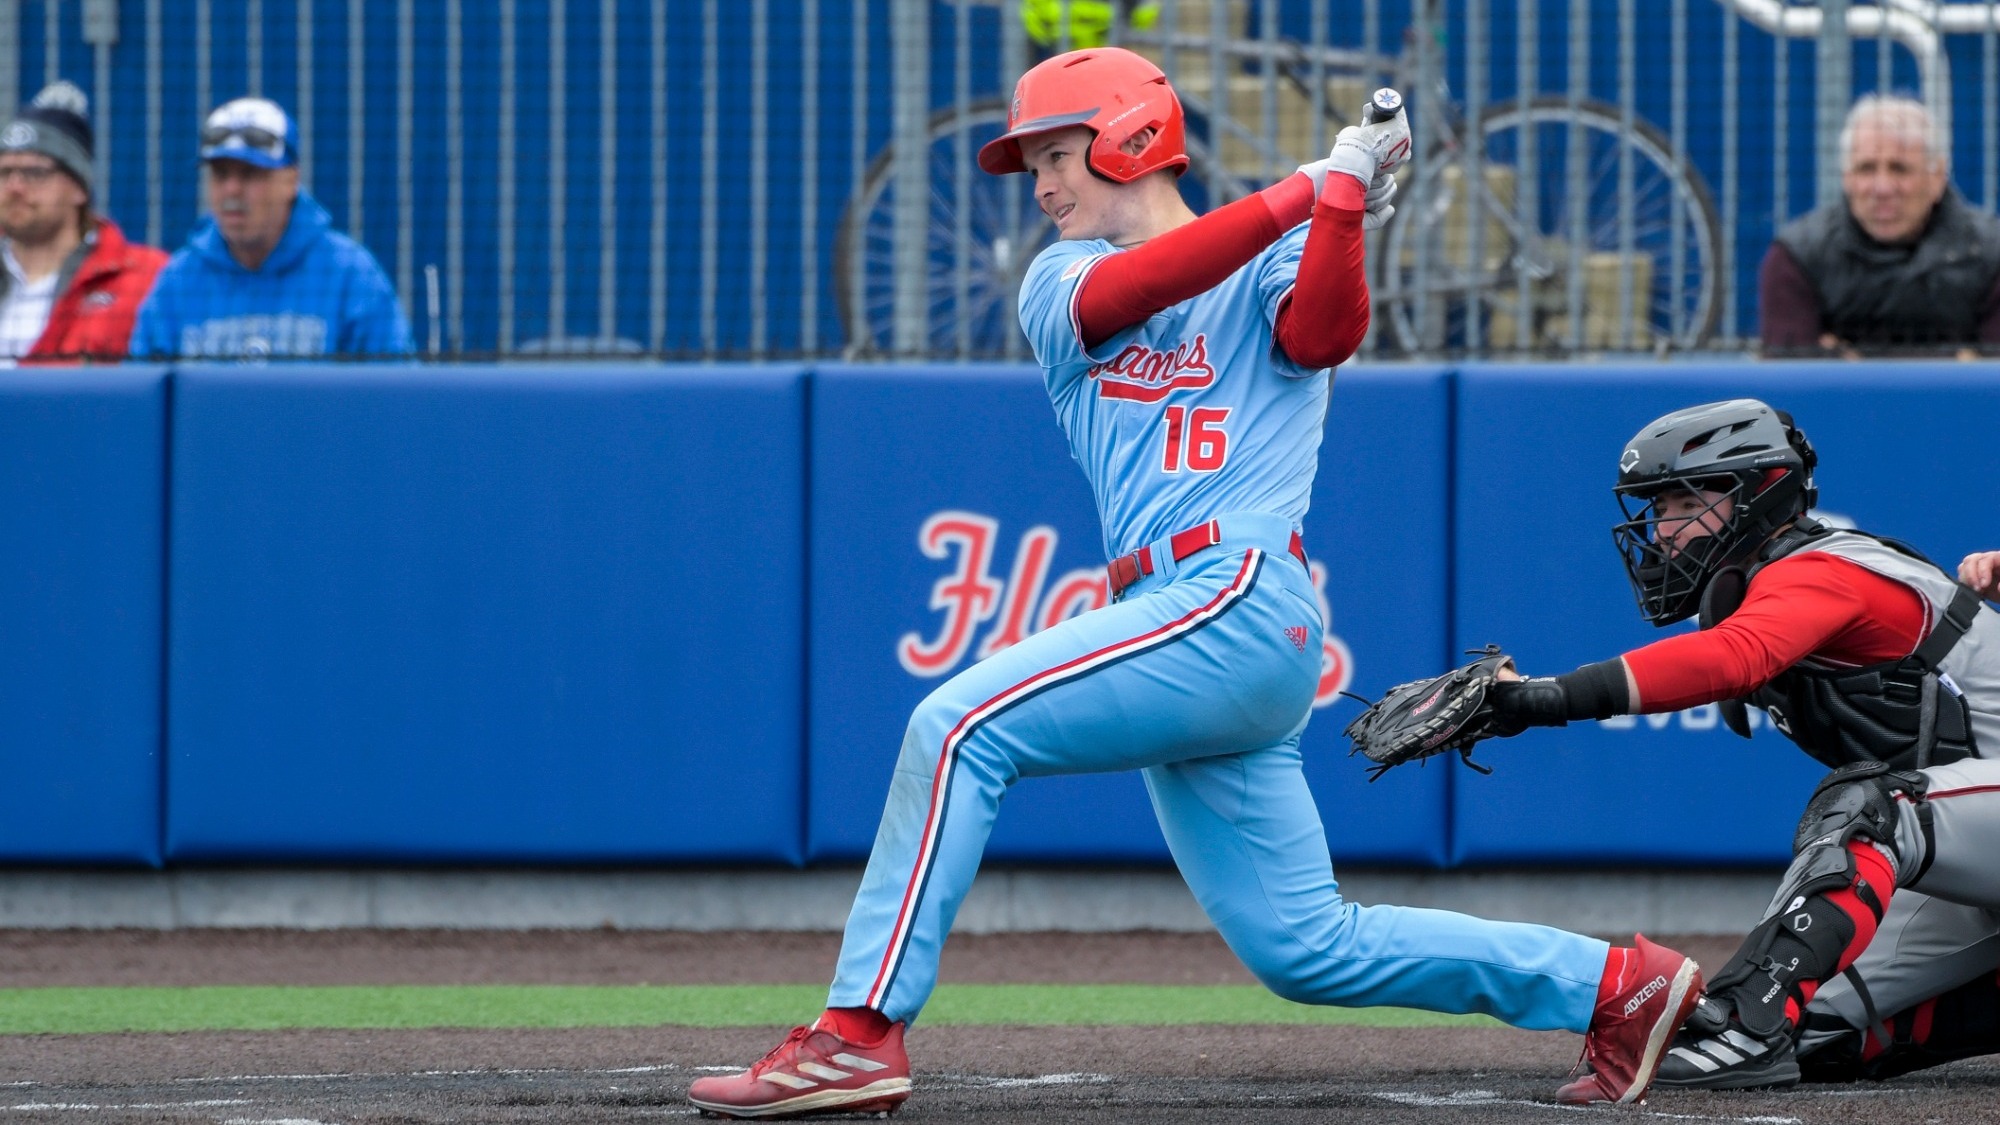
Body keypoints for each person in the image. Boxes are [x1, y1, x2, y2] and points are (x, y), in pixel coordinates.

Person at [686, 47, 1702, 1119]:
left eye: (1055, 153)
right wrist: (1308, 187)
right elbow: (1146, 281)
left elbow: (1326, 331)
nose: (1039, 184)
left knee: (956, 728)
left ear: (1128, 134)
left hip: (1231, 591)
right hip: (1178, 618)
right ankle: (1609, 985)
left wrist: (1342, 202)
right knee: (1303, 946)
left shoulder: (1271, 261)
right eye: (1031, 163)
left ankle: (856, 1033)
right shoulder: (1059, 278)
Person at [1453, 397, 2000, 1089]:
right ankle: (1753, 1027)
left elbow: (1732, 657)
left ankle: (1743, 1027)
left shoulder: (1825, 567)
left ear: (1756, 492)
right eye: (1656, 508)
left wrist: (1545, 696)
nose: (1661, 529)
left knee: (1869, 808)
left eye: (1681, 502)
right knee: (1818, 1032)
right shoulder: (1775, 583)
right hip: (1979, 848)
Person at [129, 97, 412, 360]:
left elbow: (396, 394)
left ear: (291, 180)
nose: (232, 190)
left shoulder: (350, 274)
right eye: (220, 174)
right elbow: (143, 398)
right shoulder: (179, 282)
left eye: (250, 174)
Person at [1759, 94, 2000, 356]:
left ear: (1937, 177)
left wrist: (1847, 360)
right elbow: (1791, 381)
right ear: (1846, 178)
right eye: (1866, 169)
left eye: (1899, 169)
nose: (1882, 188)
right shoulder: (1796, 258)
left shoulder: (1991, 255)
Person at [0, 81, 165, 364]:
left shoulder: (148, 278)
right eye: (4, 172)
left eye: (34, 172)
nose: (15, 187)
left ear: (80, 189)